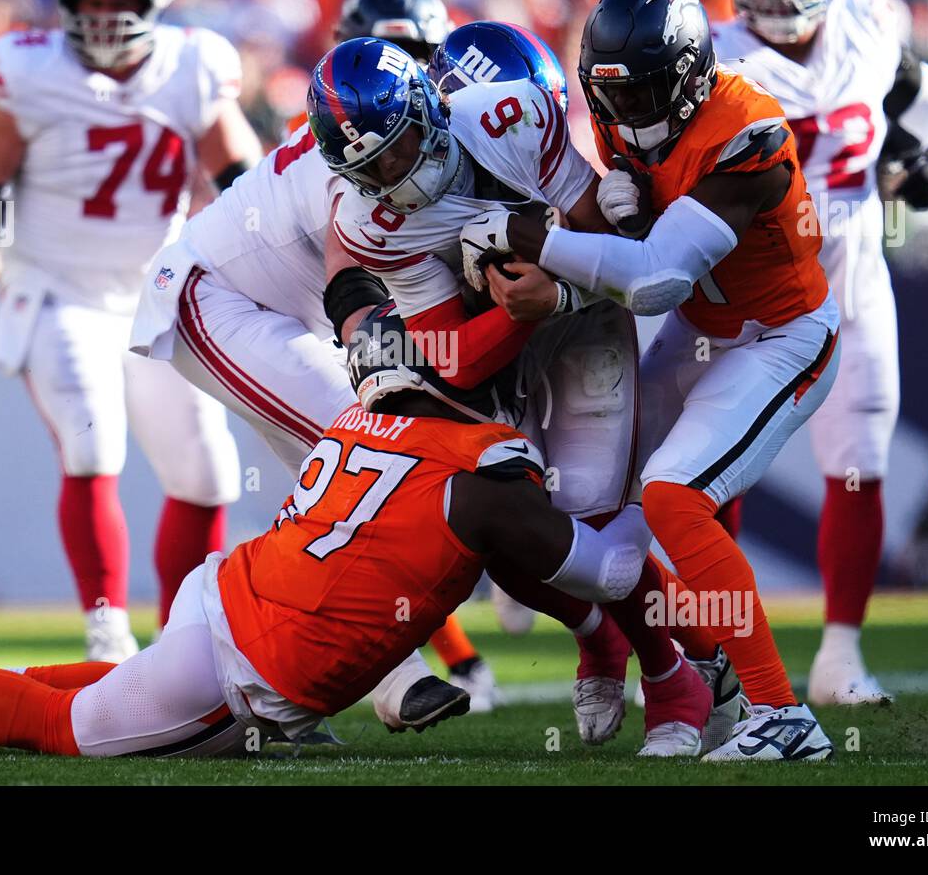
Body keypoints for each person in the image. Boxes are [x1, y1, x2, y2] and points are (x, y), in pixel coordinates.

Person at [0, 304, 694, 758]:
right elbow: (611, 569)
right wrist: (662, 481)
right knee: (61, 726)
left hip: (224, 590)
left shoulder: (360, 420)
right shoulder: (484, 478)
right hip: (245, 666)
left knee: (99, 685)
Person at [129, 15, 641, 732]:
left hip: (289, 309)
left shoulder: (470, 132)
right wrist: (375, 340)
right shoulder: (371, 187)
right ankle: (406, 666)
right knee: (384, 457)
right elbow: (354, 289)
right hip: (215, 296)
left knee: (374, 480)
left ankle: (398, 672)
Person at [309, 37, 744, 756]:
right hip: (494, 340)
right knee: (493, 519)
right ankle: (600, 639)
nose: (395, 172)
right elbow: (448, 352)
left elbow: (604, 240)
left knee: (593, 517)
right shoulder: (372, 222)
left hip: (586, 320)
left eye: (400, 146)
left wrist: (560, 287)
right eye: (371, 167)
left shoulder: (507, 116)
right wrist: (519, 311)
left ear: (428, 107)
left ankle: (675, 675)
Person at [461, 0, 842, 761]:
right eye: (612, 97)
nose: (624, 116)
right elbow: (615, 243)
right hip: (704, 333)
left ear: (690, 77)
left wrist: (532, 237)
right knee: (596, 506)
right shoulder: (621, 121)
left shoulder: (748, 136)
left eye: (640, 95)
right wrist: (549, 269)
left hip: (779, 339)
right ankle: (700, 666)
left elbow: (654, 281)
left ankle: (784, 716)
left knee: (672, 497)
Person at [0, 0, 260, 660]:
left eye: (120, 3)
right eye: (88, 4)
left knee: (207, 469)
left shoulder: (193, 65)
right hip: (57, 288)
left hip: (156, 292)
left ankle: (182, 637)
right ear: (64, 7)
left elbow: (244, 180)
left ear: (154, 7)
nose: (104, 19)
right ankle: (105, 629)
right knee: (92, 440)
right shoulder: (30, 70)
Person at [715, 0, 928, 705]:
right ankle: (713, 660)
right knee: (710, 483)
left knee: (858, 468)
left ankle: (841, 658)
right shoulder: (714, 57)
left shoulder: (864, 27)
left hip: (852, 288)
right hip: (743, 305)